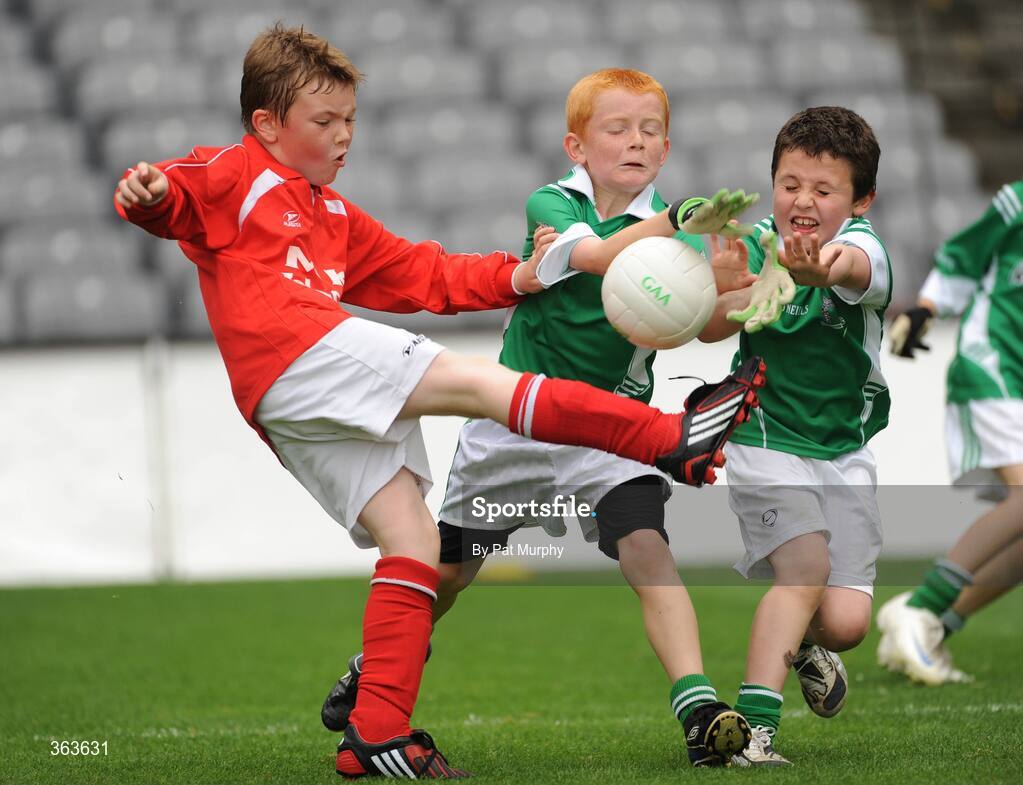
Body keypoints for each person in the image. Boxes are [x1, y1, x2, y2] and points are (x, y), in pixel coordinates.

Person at [113, 26, 768, 779]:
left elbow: (425, 274)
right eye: (323, 122)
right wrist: (149, 196)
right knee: (478, 384)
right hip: (294, 350)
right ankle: (665, 436)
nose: (343, 135)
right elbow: (175, 197)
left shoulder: (333, 216)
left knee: (414, 543)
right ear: (266, 124)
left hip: (284, 402)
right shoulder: (238, 170)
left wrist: (516, 278)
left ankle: (374, 734)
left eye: (349, 120)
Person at [319, 68, 771, 769]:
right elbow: (590, 258)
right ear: (576, 146)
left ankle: (699, 707)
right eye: (616, 129)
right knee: (444, 578)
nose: (635, 141)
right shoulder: (554, 204)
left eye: (650, 130)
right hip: (512, 426)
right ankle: (370, 669)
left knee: (647, 550)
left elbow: (692, 327)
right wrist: (672, 224)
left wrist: (738, 294)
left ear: (667, 147)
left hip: (612, 427)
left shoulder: (680, 237)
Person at [699, 106, 891, 766]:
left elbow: (847, 269)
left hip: (844, 450)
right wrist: (724, 290)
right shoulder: (752, 243)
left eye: (822, 188)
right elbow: (711, 328)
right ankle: (752, 733)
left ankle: (809, 644)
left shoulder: (864, 246)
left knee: (845, 623)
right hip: (762, 435)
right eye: (789, 183)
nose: (801, 200)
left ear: (859, 200)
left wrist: (817, 270)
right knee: (803, 569)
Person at [876, 180, 1023, 685]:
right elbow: (963, 255)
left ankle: (931, 621)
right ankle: (919, 609)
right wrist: (926, 309)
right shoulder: (1018, 202)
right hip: (994, 364)